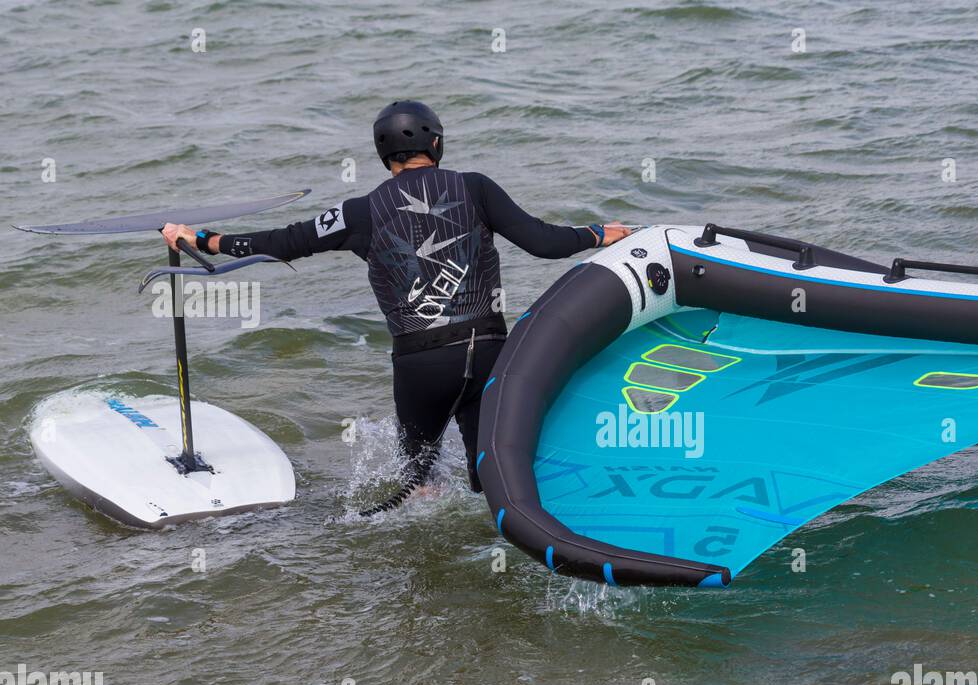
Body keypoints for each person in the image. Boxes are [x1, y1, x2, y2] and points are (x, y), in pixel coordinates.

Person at [161, 100, 630, 507]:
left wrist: (202, 238)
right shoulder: (476, 187)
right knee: (490, 482)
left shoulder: (358, 211)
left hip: (419, 367)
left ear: (383, 154)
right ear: (437, 144)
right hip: (486, 351)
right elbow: (544, 242)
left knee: (418, 485)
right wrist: (598, 234)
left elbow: (283, 242)